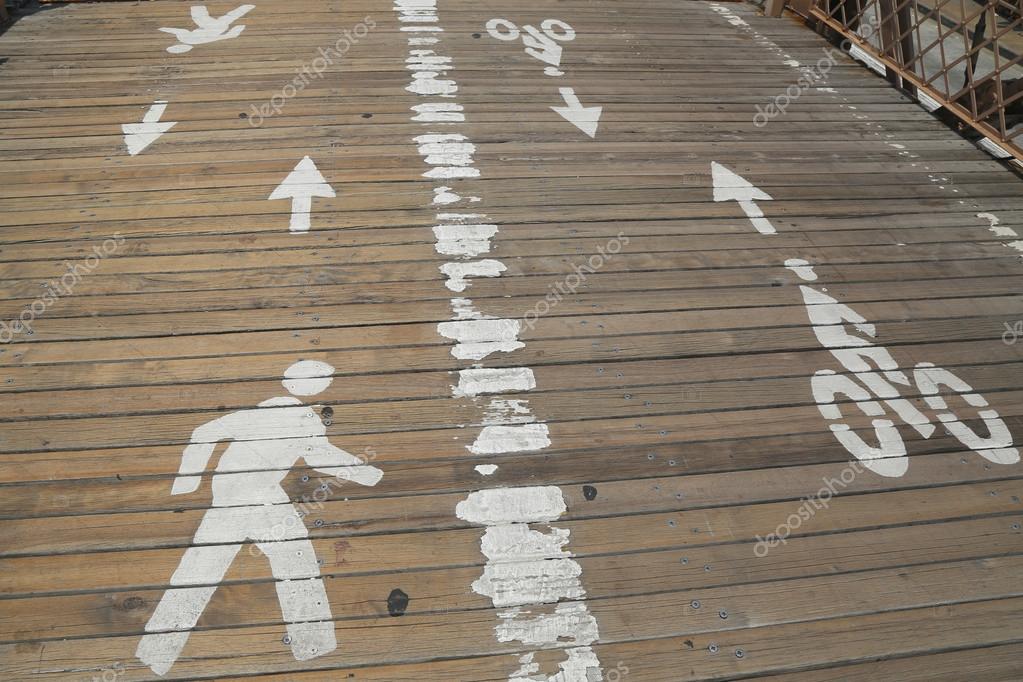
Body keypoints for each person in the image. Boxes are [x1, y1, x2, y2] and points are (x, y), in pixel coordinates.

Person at [136, 360, 383, 676]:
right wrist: (370, 473)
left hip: (230, 491)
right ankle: (312, 644)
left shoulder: (261, 411)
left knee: (200, 569)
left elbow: (203, 432)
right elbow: (322, 456)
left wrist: (187, 485)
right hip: (257, 493)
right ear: (318, 386)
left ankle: (155, 653)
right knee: (296, 563)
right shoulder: (304, 419)